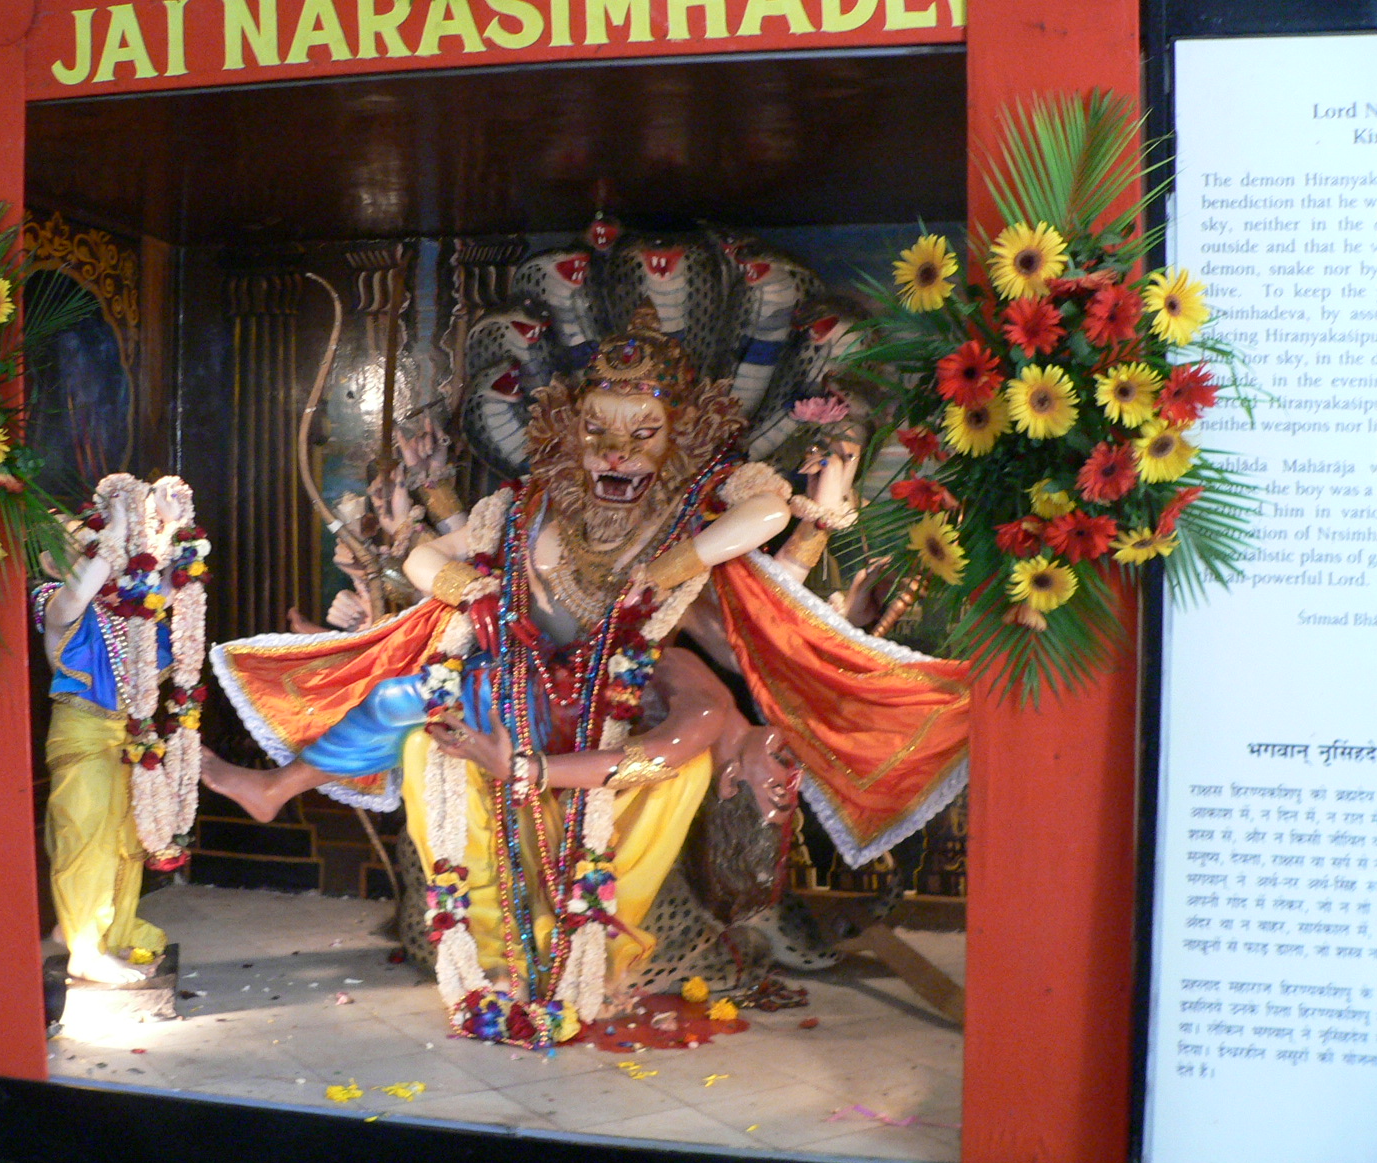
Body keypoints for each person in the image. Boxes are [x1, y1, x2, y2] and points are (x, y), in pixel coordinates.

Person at [205, 309, 970, 1043]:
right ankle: (281, 789)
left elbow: (768, 513)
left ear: (681, 441)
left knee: (413, 700)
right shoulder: (529, 506)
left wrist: (678, 564)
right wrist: (457, 585)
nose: (616, 453)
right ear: (567, 434)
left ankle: (287, 794)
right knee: (407, 695)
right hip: (527, 682)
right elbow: (427, 559)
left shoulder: (696, 539)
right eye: (596, 432)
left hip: (579, 716)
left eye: (643, 436)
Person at [33, 476, 181, 984]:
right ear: (52, 562)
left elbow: (160, 588)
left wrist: (166, 523)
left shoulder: (120, 610)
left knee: (125, 841)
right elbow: (76, 597)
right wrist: (114, 529)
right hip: (82, 735)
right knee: (87, 840)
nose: (94, 551)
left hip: (126, 735)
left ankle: (105, 933)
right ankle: (84, 949)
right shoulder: (54, 601)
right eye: (77, 545)